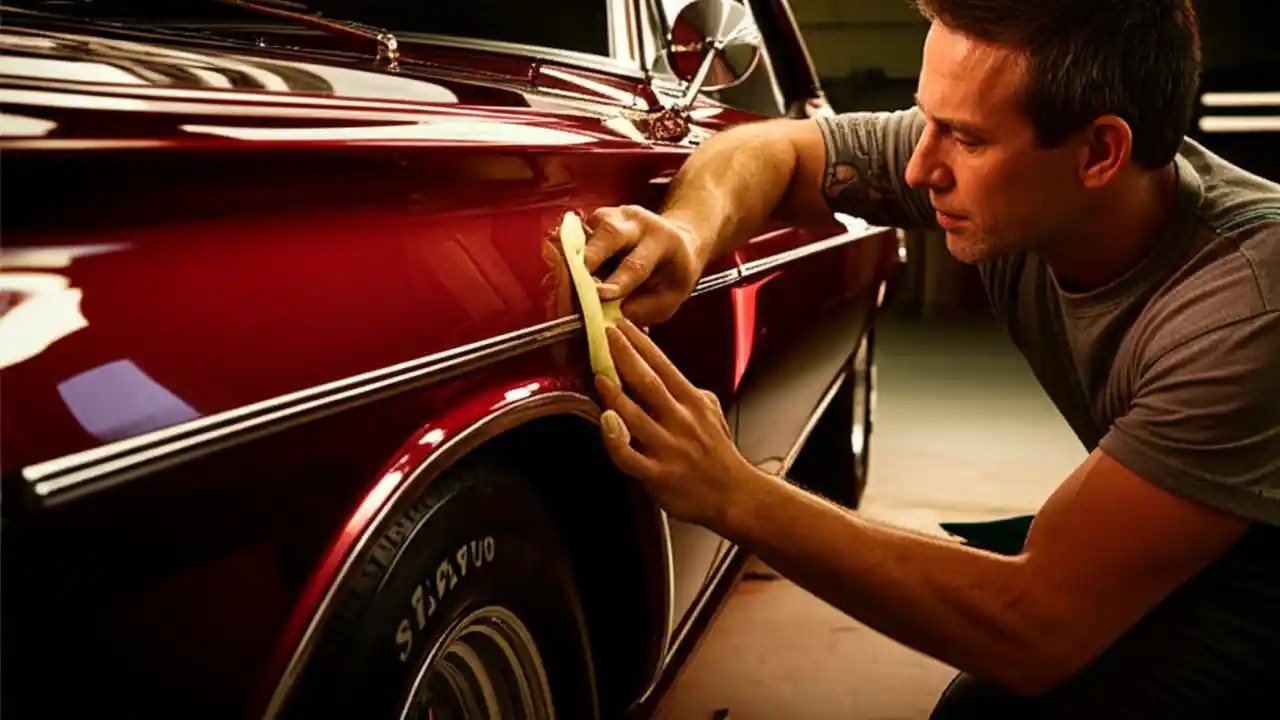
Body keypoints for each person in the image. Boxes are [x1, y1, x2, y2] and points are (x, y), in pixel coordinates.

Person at [580, 0, 1280, 716]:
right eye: (928, 120)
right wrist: (688, 234)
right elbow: (777, 148)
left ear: (1101, 152)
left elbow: (1034, 629)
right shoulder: (1039, 182)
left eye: (967, 140)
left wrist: (734, 494)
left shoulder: (1248, 306)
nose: (918, 167)